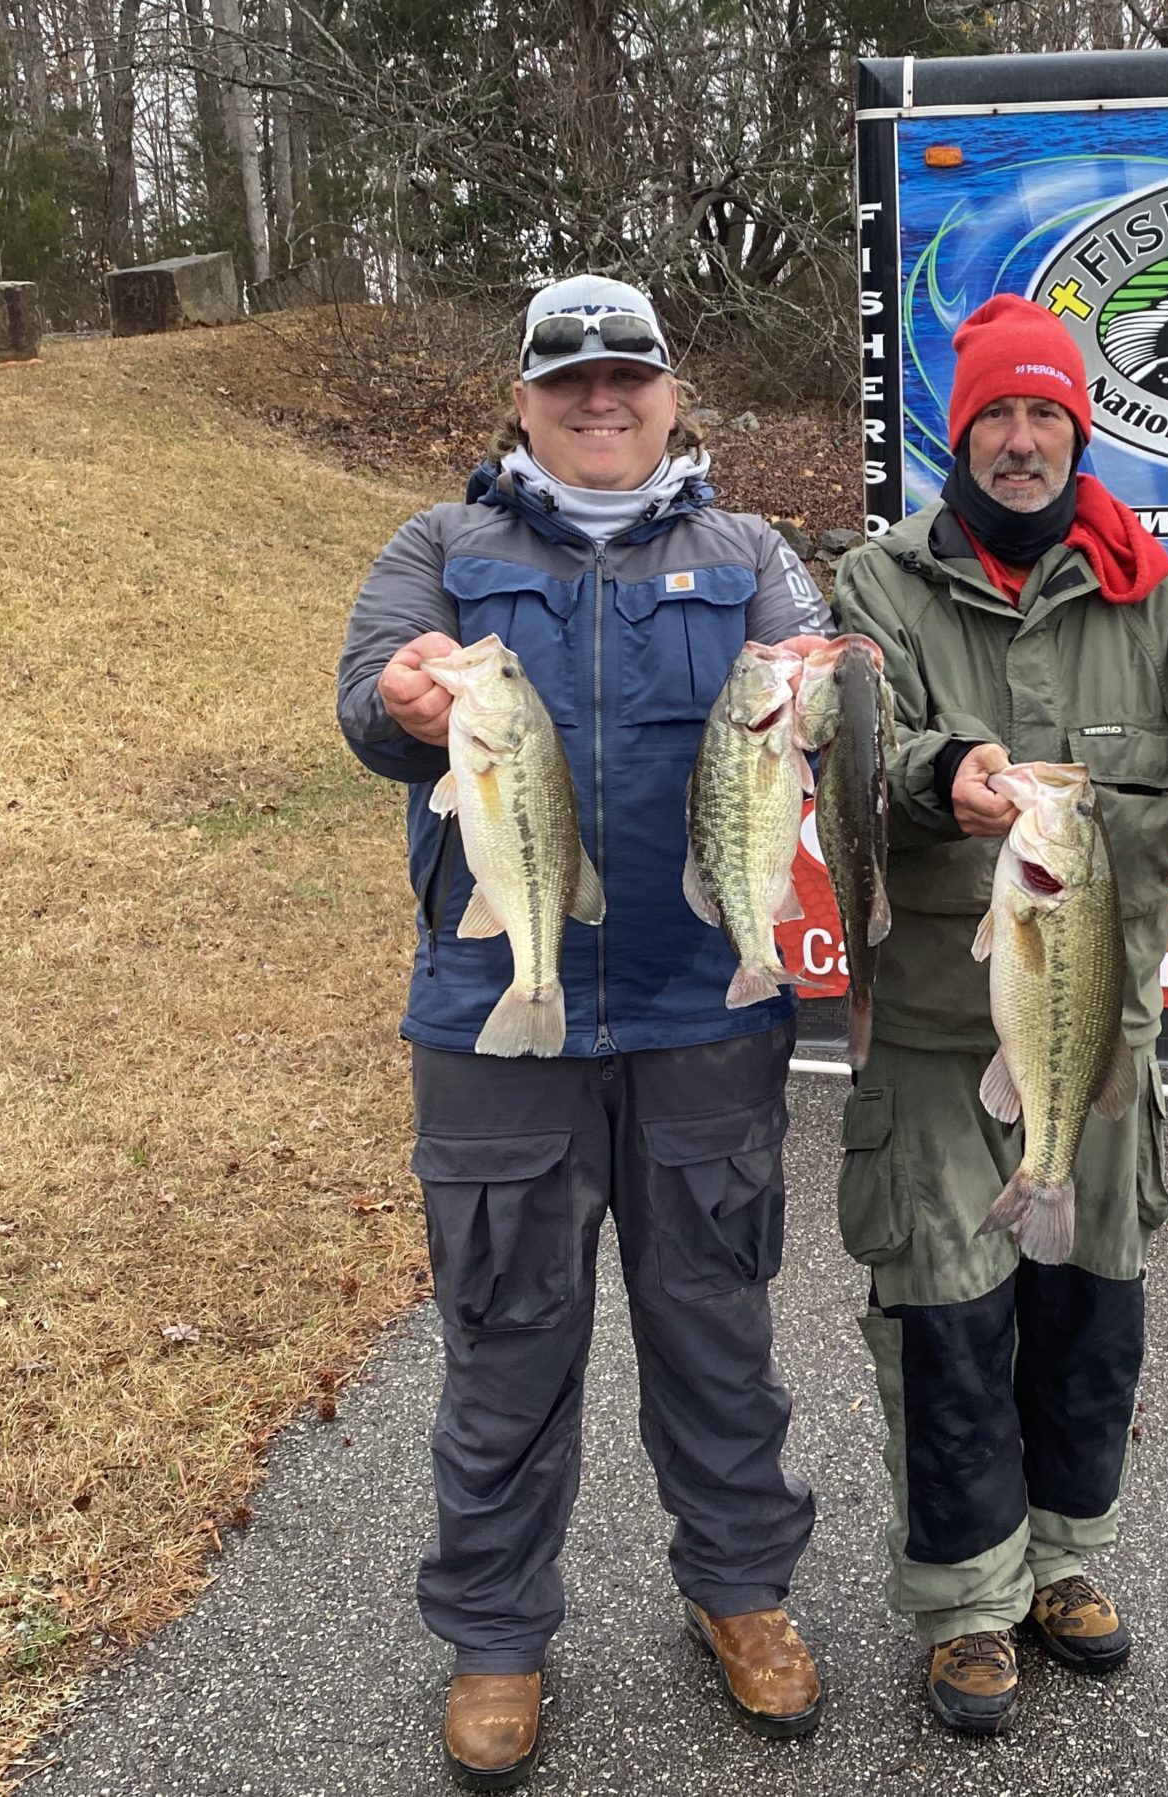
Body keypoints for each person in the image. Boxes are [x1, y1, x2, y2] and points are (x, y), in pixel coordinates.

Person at [828, 293, 1168, 1736]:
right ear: (961, 431)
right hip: (944, 1037)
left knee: (1088, 1313)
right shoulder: (879, 584)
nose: (1018, 439)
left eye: (1043, 415)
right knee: (944, 1319)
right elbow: (862, 741)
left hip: (1101, 1040)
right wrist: (949, 777)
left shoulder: (1153, 593)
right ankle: (966, 1599)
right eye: (995, 413)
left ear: (1078, 431)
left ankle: (1065, 1558)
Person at [335, 275, 833, 1789]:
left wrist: (827, 695)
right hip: (494, 1016)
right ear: (522, 398)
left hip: (707, 1012)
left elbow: (818, 676)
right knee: (505, 1337)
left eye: (629, 377)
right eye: (570, 381)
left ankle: (739, 1592)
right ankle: (496, 1638)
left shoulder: (752, 554)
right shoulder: (439, 547)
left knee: (717, 1330)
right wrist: (410, 699)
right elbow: (366, 701)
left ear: (676, 397)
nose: (600, 401)